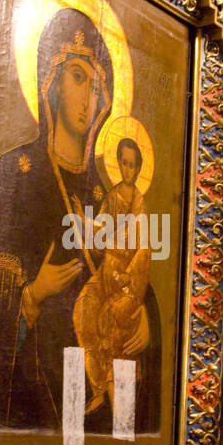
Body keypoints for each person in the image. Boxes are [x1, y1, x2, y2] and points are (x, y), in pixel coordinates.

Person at [0, 7, 160, 435]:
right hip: (35, 397)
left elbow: (128, 275)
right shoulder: (13, 174)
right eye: (79, 77)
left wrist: (144, 318)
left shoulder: (106, 194)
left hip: (96, 391)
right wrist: (30, 296)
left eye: (98, 87)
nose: (89, 99)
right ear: (50, 80)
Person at [73, 137, 151, 416]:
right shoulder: (112, 195)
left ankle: (118, 401)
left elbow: (143, 246)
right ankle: (97, 388)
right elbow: (99, 237)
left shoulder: (139, 202)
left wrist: (130, 273)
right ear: (118, 164)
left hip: (128, 281)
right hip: (107, 271)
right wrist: (84, 224)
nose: (128, 169)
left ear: (139, 168)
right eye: (124, 163)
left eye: (133, 165)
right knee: (83, 309)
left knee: (108, 318)